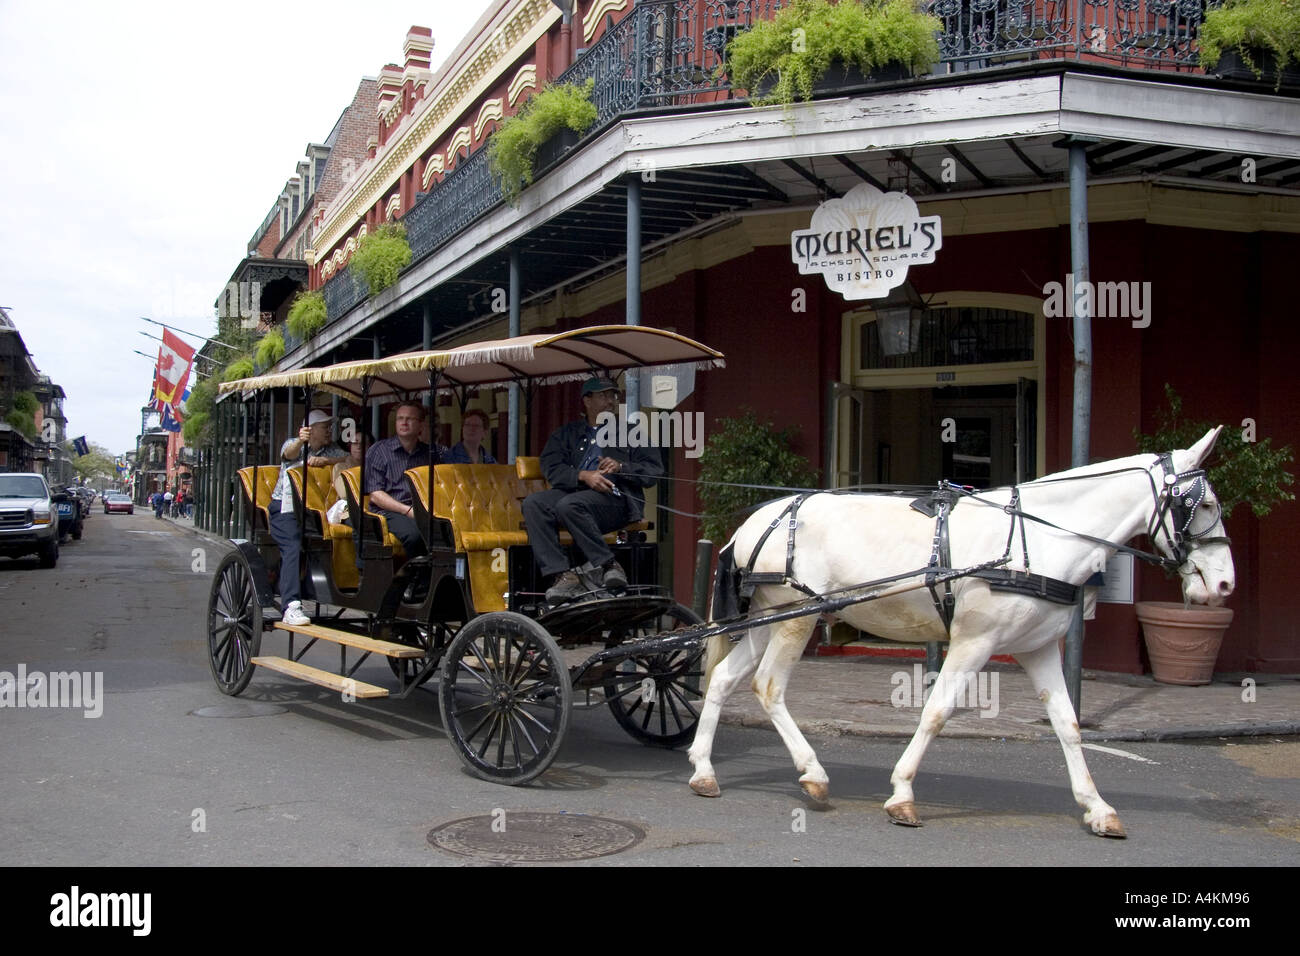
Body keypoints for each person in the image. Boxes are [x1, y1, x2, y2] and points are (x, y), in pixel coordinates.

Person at [522, 377, 663, 605]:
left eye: (613, 396)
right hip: (574, 495)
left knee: (569, 505)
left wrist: (621, 467)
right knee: (533, 503)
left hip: (616, 500)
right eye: (604, 396)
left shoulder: (631, 431)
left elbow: (653, 470)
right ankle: (562, 575)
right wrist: (582, 475)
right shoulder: (566, 433)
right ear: (586, 400)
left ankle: (609, 565)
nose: (611, 401)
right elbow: (551, 466)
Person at [269, 409, 347, 626]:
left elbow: (348, 459)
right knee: (293, 545)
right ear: (310, 430)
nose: (329, 431)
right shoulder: (294, 443)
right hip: (284, 508)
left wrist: (326, 461)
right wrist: (300, 441)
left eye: (330, 427)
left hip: (315, 511)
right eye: (325, 427)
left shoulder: (329, 450)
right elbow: (288, 453)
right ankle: (291, 605)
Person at [364, 401, 441, 557]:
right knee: (414, 536)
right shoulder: (379, 450)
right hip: (388, 511)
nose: (404, 422)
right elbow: (375, 494)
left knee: (446, 534)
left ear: (421, 425)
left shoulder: (431, 453)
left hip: (422, 511)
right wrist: (407, 510)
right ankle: (415, 578)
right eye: (400, 418)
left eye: (410, 419)